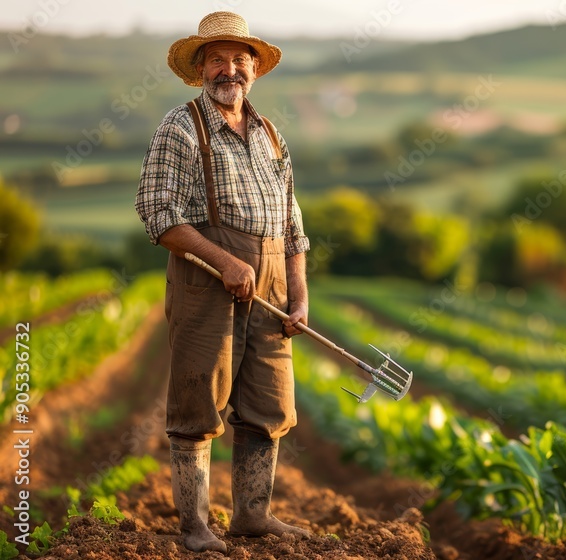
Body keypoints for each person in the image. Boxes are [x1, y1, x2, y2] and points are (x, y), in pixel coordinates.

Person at [135, 11, 311, 553]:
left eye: (239, 59)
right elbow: (157, 214)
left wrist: (299, 295)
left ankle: (252, 517)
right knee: (199, 402)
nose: (228, 69)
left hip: (273, 285)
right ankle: (194, 527)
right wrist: (225, 262)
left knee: (269, 405)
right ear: (200, 69)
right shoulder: (181, 126)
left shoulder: (270, 134)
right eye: (217, 59)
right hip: (206, 283)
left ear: (254, 68)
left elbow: (293, 226)